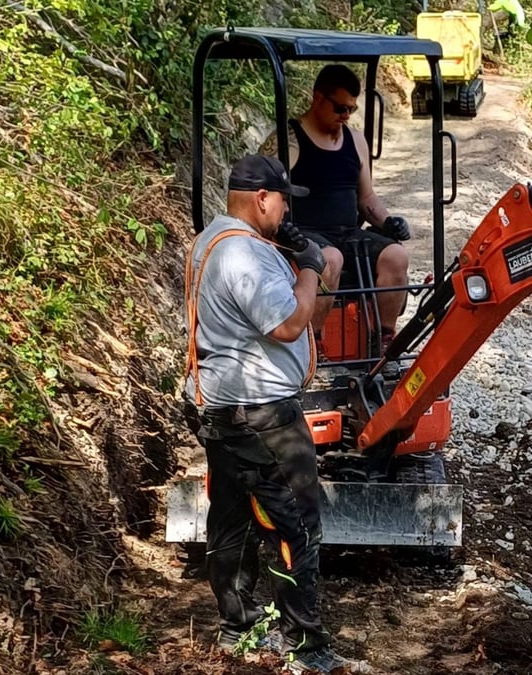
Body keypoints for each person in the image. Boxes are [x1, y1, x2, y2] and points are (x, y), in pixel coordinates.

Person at [183, 154, 347, 672]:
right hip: (263, 415)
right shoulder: (243, 256)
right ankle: (308, 646)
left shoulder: (213, 239)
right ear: (261, 199)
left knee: (231, 517)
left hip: (223, 408)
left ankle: (237, 627)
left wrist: (292, 257)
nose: (285, 211)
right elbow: (289, 324)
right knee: (297, 522)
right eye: (282, 201)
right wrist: (311, 268)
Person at [260, 64, 411, 351]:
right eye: (340, 108)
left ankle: (382, 342)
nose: (345, 116)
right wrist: (280, 230)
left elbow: (367, 200)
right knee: (329, 259)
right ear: (318, 99)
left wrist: (388, 222)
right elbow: (265, 195)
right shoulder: (290, 140)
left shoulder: (355, 140)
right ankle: (311, 347)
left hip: (347, 234)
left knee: (395, 255)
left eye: (351, 110)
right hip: (302, 235)